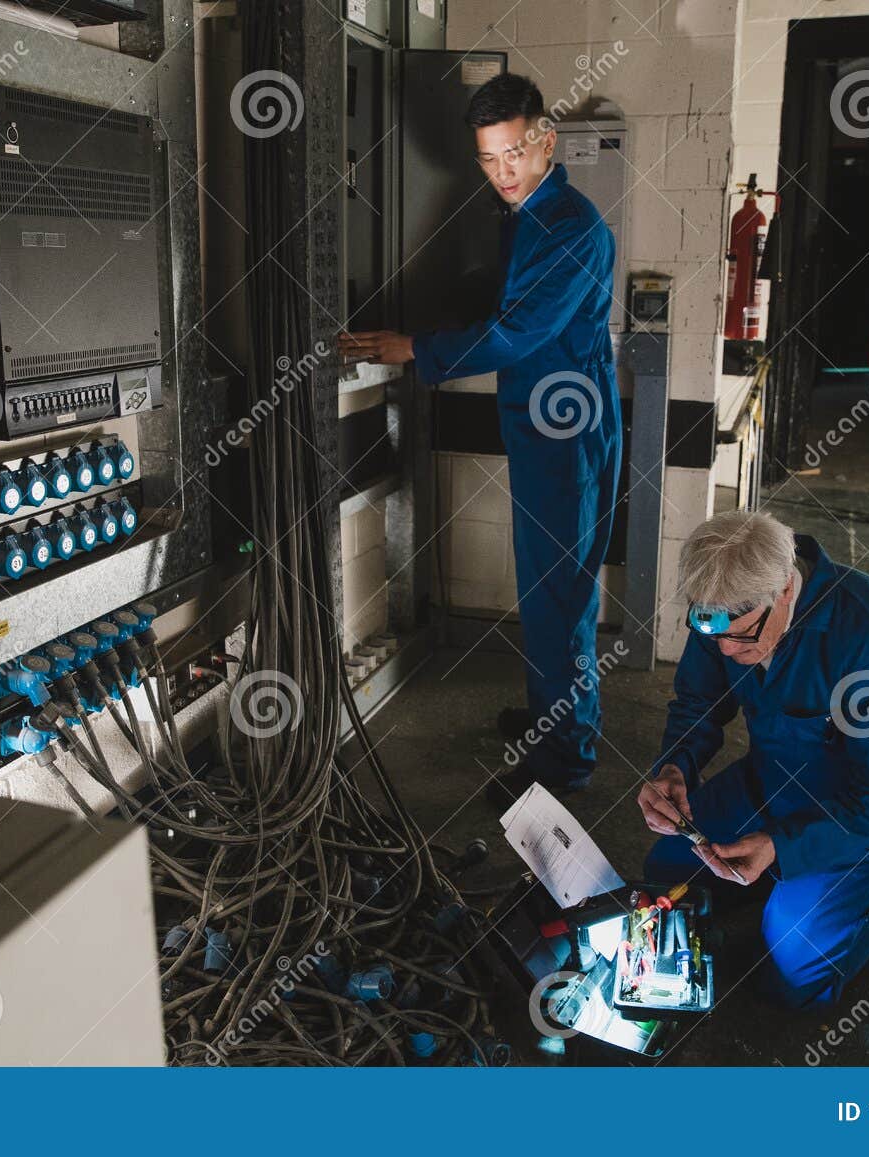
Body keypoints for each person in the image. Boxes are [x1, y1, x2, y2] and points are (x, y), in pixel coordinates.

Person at [338, 74, 620, 809]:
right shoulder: (526, 217)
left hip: (567, 439)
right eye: (489, 159)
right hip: (542, 430)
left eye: (515, 154)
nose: (503, 172)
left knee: (559, 599)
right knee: (546, 591)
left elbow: (518, 331)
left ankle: (566, 758)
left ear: (546, 141)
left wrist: (415, 347)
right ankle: (555, 716)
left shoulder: (572, 227)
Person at [637, 509, 869, 1010]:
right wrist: (676, 766)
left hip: (860, 814)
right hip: (774, 777)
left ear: (785, 589)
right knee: (666, 873)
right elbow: (699, 702)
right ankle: (779, 879)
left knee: (793, 976)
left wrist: (782, 846)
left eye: (741, 636)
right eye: (713, 635)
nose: (725, 649)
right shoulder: (725, 610)